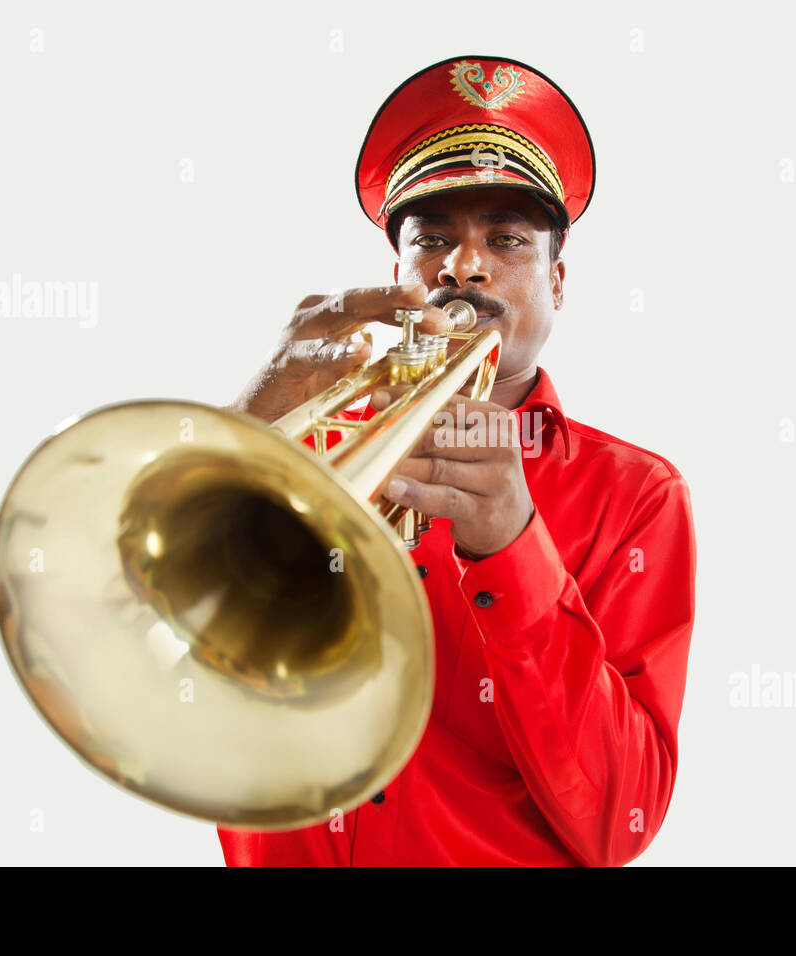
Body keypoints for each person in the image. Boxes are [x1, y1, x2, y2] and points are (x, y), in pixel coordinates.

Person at [218, 55, 696, 866]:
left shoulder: (638, 495)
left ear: (560, 279)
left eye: (506, 239)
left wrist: (512, 549)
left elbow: (623, 818)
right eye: (432, 239)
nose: (463, 266)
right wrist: (241, 441)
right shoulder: (300, 438)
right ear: (398, 275)